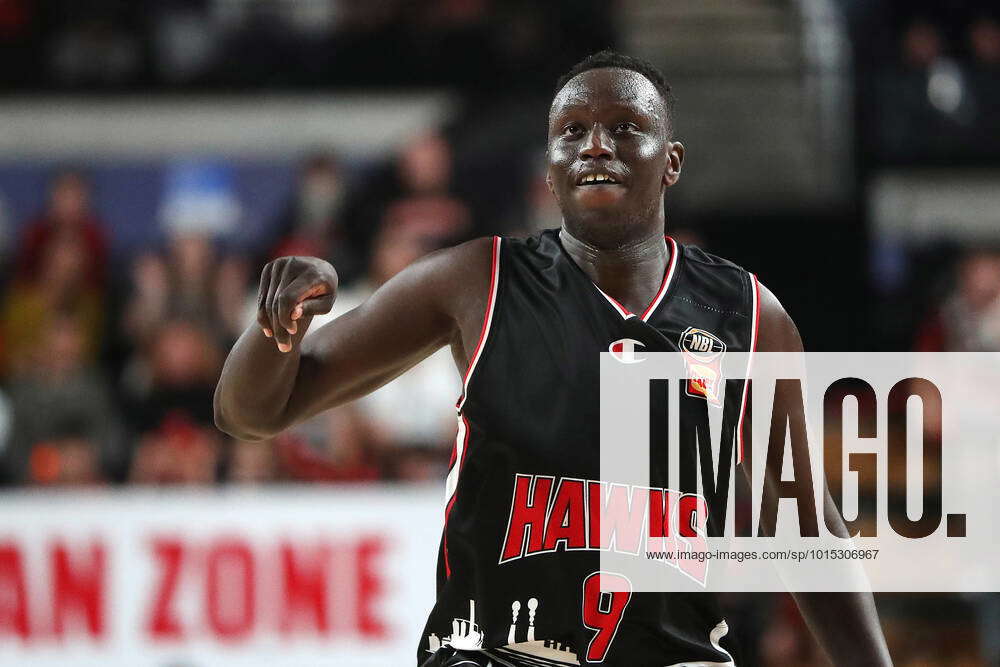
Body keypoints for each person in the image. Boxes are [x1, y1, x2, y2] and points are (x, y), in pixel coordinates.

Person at [215, 51, 892, 666]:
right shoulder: (475, 281)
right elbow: (249, 411)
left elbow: (807, 523)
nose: (596, 143)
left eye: (626, 127)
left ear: (672, 161)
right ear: (549, 168)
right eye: (572, 131)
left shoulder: (749, 315)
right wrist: (276, 328)